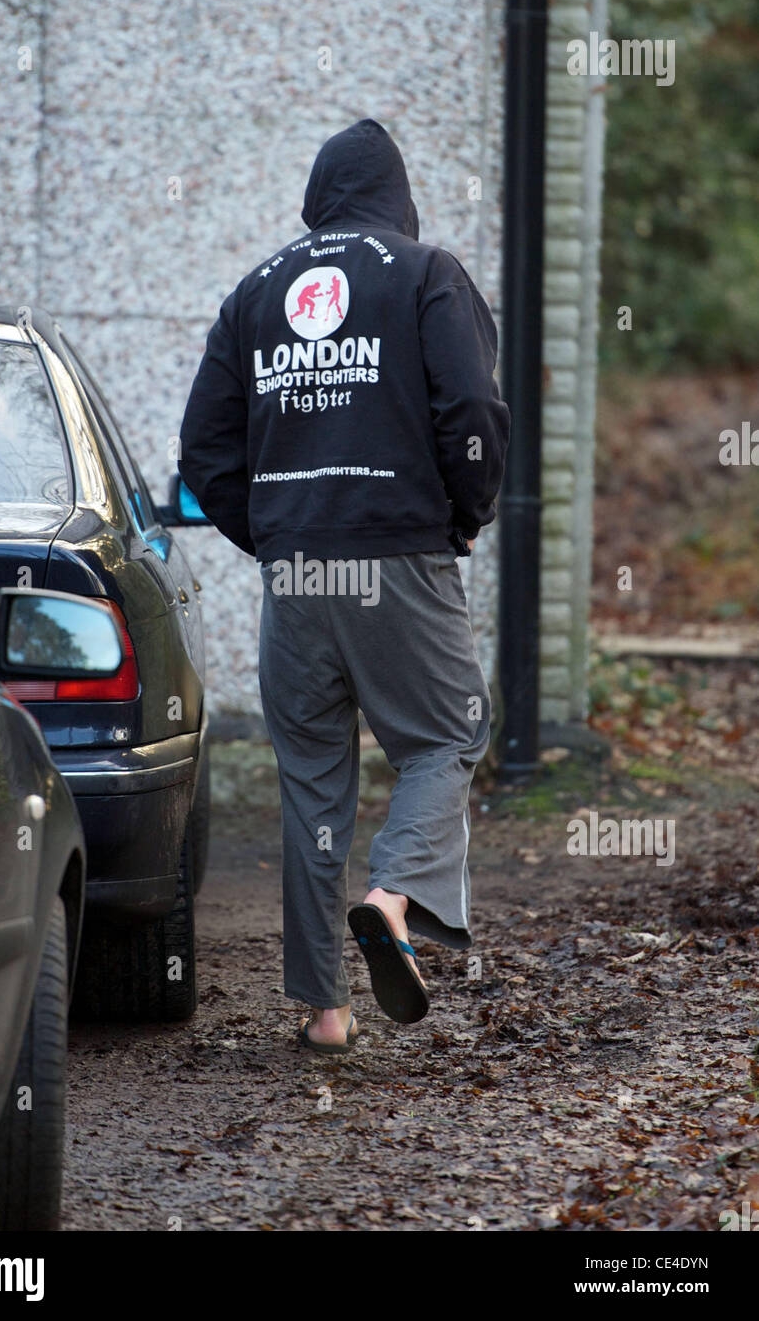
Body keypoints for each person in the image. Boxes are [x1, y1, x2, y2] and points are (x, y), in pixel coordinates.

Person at [180, 118, 510, 1053]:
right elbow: (473, 413)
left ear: (318, 199)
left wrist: (271, 535)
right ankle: (392, 899)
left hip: (297, 573)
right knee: (447, 732)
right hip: (399, 555)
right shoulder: (423, 273)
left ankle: (325, 1012)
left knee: (312, 784)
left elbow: (203, 447)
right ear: (397, 198)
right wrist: (461, 516)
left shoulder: (254, 292)